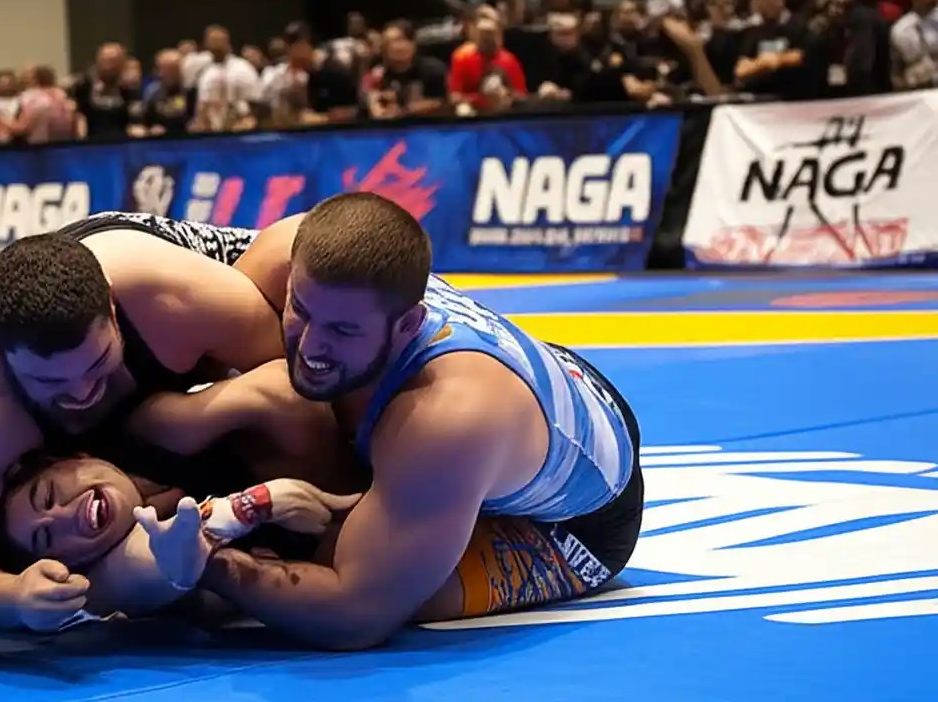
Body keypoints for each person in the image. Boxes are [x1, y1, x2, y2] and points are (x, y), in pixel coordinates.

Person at [135, 192, 645, 650]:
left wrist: (204, 563)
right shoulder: (290, 248)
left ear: (408, 325)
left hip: (574, 519)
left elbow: (354, 617)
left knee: (339, 563)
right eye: (302, 310)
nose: (310, 345)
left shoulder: (447, 417)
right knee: (261, 395)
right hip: (529, 395)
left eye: (341, 329)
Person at [0, 212, 289, 634]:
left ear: (111, 308)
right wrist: (13, 597)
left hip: (209, 326)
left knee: (288, 258)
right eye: (51, 382)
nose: (84, 392)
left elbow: (305, 390)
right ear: (1, 355)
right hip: (95, 467)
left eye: (98, 363)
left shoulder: (172, 297)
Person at [0, 448, 361, 627]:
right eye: (47, 537)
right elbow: (148, 563)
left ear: (74, 457)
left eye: (49, 495)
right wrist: (245, 508)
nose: (64, 515)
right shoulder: (115, 572)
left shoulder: (160, 428)